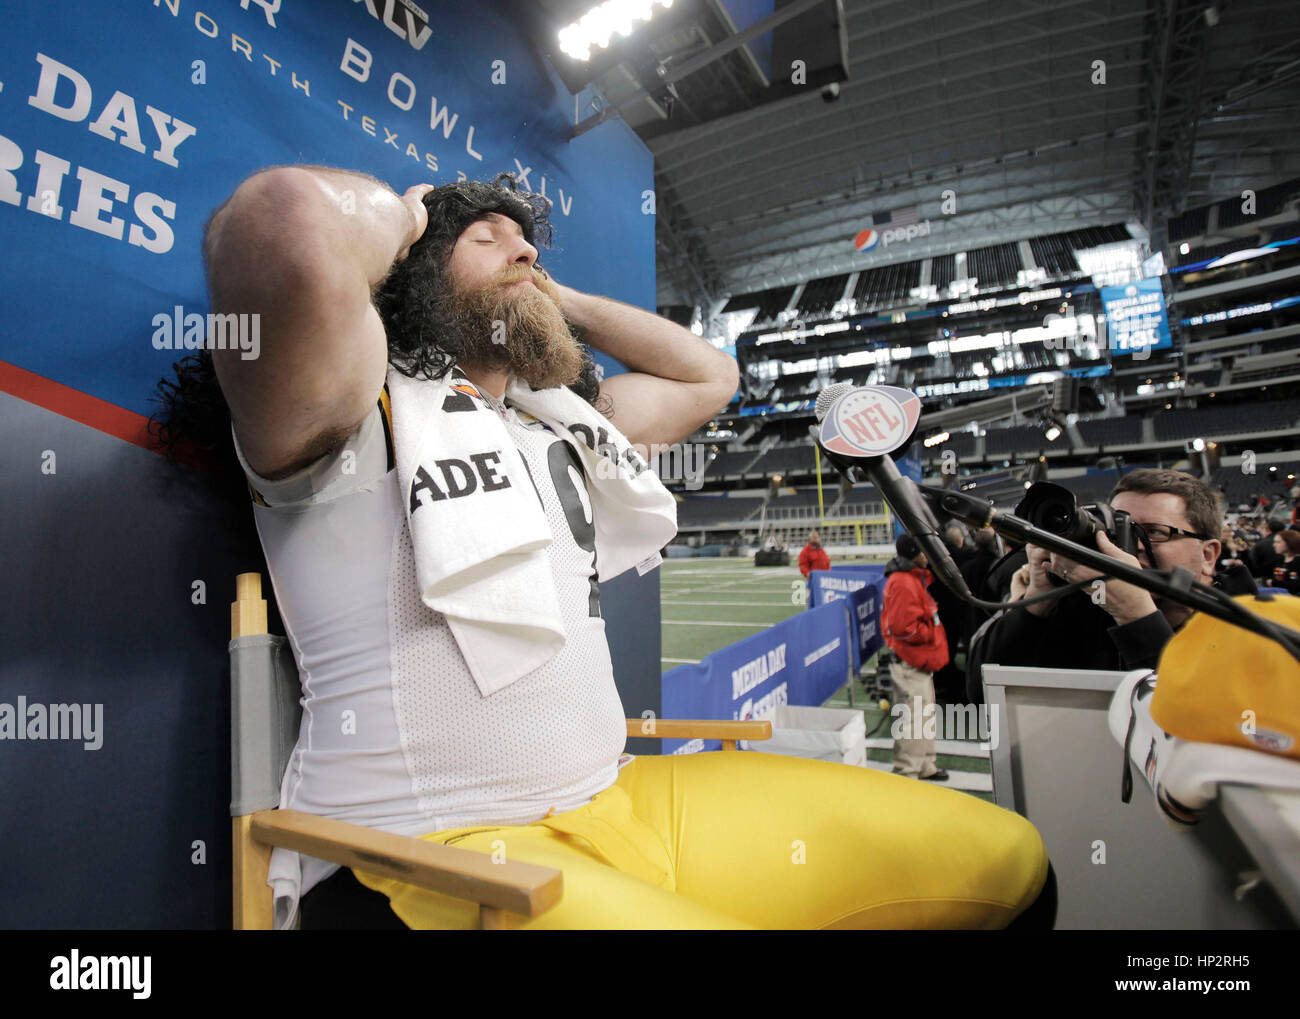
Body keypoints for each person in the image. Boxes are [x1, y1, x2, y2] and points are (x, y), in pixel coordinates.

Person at [156, 166, 1049, 930]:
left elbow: (711, 374)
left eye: (529, 242)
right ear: (415, 275)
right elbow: (281, 225)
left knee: (1010, 858)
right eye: (490, 239)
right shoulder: (351, 410)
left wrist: (558, 301)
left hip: (613, 799)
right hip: (420, 846)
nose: (526, 251)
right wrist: (418, 217)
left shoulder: (567, 421)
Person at [967, 469, 1255, 704]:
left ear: (1208, 556)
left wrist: (1137, 617)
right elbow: (984, 697)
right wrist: (1035, 604)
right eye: (1120, 531)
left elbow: (1203, 731)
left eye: (1155, 532)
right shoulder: (1083, 609)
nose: (1132, 549)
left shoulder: (1254, 630)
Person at [881, 534, 949, 782]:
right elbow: (903, 627)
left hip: (919, 661)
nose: (927, 556)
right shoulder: (902, 582)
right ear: (914, 553)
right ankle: (906, 774)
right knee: (912, 721)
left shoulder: (910, 578)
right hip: (910, 661)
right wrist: (930, 635)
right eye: (923, 551)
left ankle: (924, 766)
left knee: (924, 718)